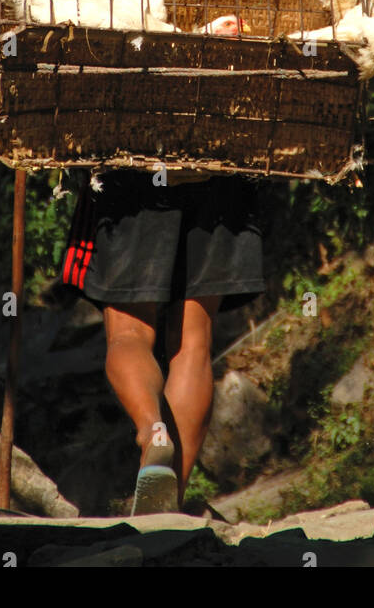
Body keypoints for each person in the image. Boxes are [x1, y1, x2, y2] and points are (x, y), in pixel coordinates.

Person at [62, 166, 264, 514]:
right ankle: (170, 503)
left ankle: (152, 431)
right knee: (193, 343)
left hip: (134, 168)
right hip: (225, 166)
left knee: (129, 333)